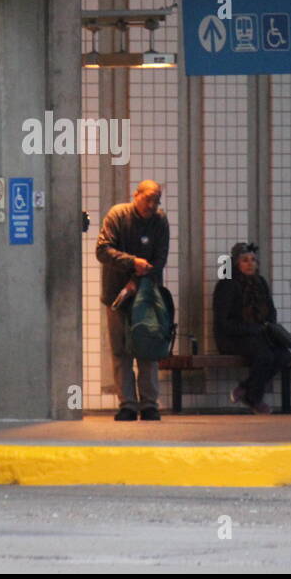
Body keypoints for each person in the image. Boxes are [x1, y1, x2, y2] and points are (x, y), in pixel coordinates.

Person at [96, 180, 169, 421]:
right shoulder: (117, 216)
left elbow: (160, 258)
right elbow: (103, 250)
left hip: (146, 294)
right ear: (135, 195)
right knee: (121, 350)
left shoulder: (160, 221)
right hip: (116, 294)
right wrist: (132, 262)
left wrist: (138, 280)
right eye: (147, 198)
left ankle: (149, 404)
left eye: (156, 200)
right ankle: (127, 404)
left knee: (147, 346)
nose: (151, 204)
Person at [213, 241, 291, 414]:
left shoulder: (260, 283)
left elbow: (271, 311)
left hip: (258, 335)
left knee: (283, 355)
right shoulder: (227, 285)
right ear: (236, 263)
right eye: (245, 260)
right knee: (264, 355)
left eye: (253, 260)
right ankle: (254, 398)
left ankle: (245, 389)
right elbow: (223, 322)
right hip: (232, 338)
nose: (250, 264)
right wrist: (252, 329)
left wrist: (268, 328)